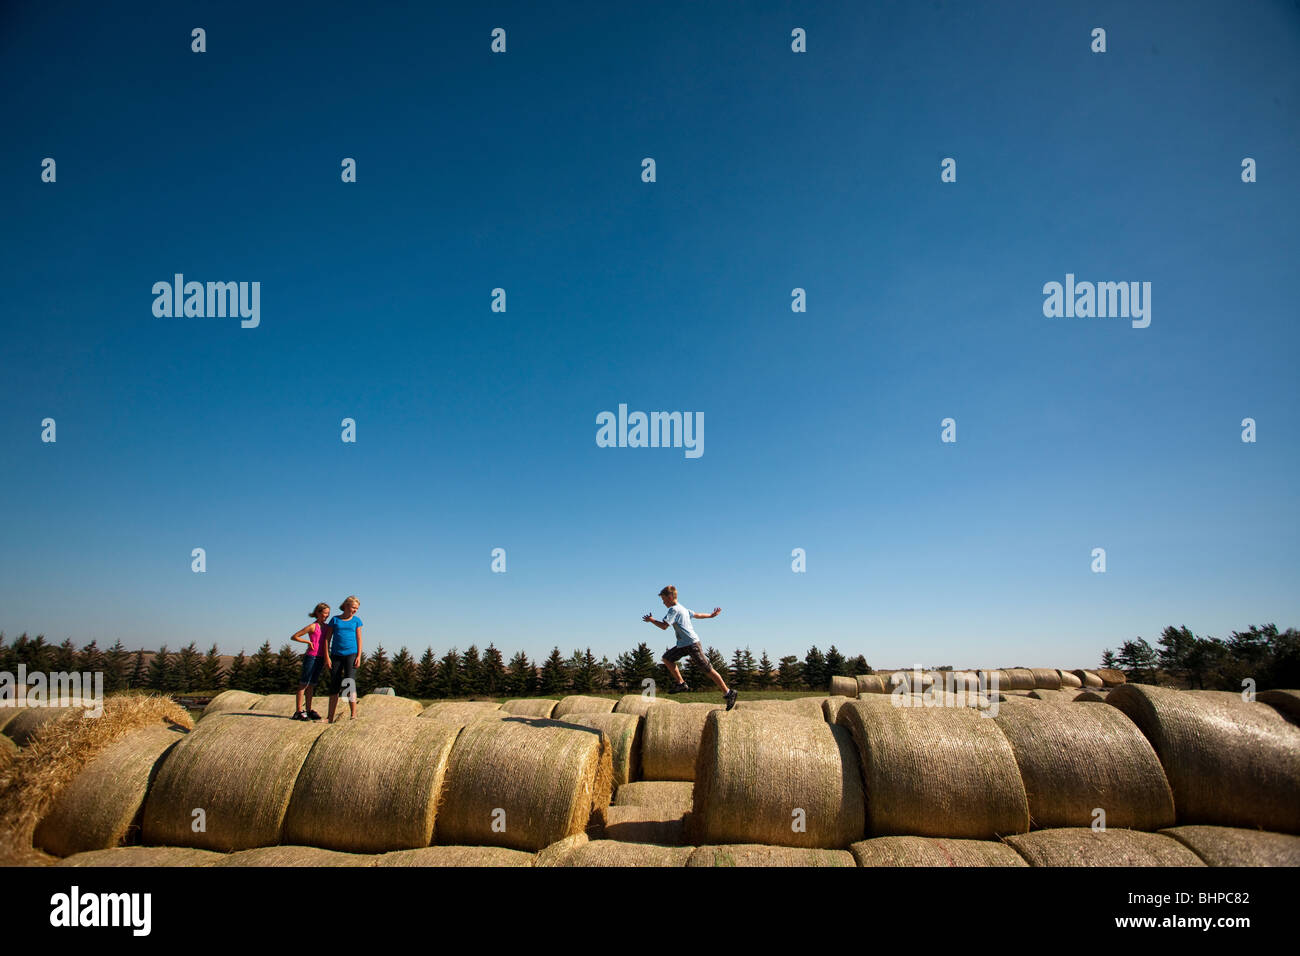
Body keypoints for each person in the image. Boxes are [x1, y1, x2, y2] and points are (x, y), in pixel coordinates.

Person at [643, 585, 736, 710]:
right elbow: (697, 615)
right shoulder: (683, 608)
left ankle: (728, 692)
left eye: (664, 599)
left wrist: (652, 620)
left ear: (670, 597)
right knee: (667, 658)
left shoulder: (674, 610)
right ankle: (681, 683)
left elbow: (664, 626)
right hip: (683, 645)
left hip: (692, 644)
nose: (663, 602)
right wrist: (711, 615)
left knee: (708, 669)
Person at [325, 595, 363, 722]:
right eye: (353, 607)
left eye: (357, 608)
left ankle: (353, 715)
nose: (355, 610)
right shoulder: (335, 620)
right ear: (346, 606)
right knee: (334, 685)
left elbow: (359, 639)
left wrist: (359, 656)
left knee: (349, 683)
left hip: (351, 654)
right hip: (336, 655)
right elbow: (327, 639)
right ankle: (330, 717)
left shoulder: (357, 621)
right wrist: (327, 657)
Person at [290, 603, 331, 720]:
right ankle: (298, 711)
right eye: (325, 613)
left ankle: (308, 710)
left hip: (321, 658)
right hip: (311, 657)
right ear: (318, 612)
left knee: (312, 684)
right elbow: (294, 636)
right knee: (304, 683)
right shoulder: (313, 626)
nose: (326, 615)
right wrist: (308, 642)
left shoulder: (327, 627)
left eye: (328, 613)